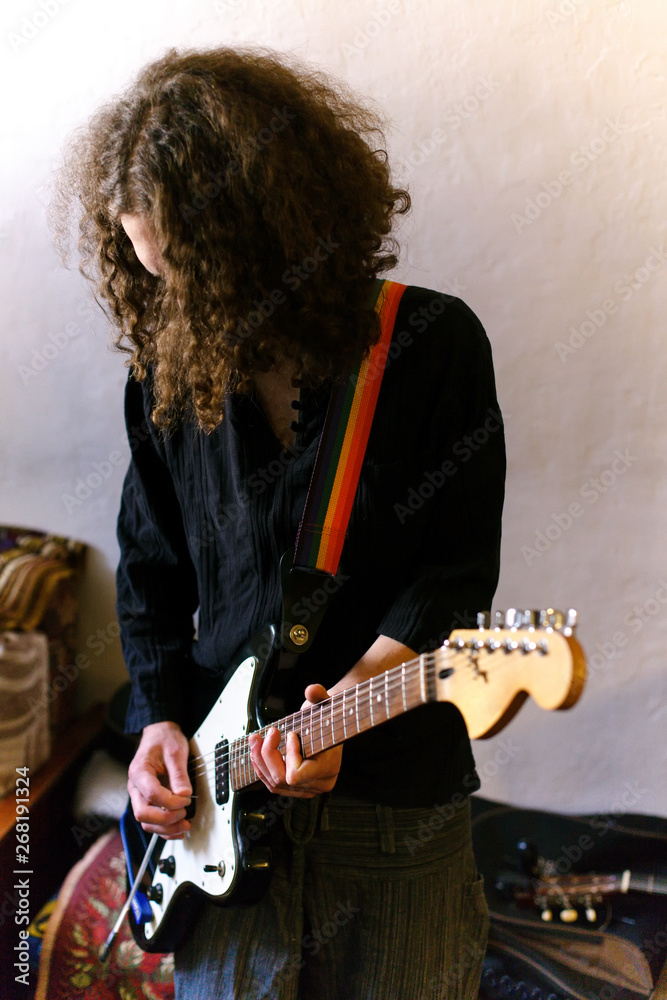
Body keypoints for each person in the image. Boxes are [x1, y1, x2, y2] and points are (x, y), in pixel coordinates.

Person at [55, 46, 505, 999]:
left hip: (392, 809)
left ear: (269, 235)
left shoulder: (432, 345)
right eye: (151, 273)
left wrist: (347, 699)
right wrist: (158, 722)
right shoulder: (162, 377)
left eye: (190, 272)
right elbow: (150, 571)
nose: (173, 302)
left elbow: (454, 574)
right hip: (217, 820)